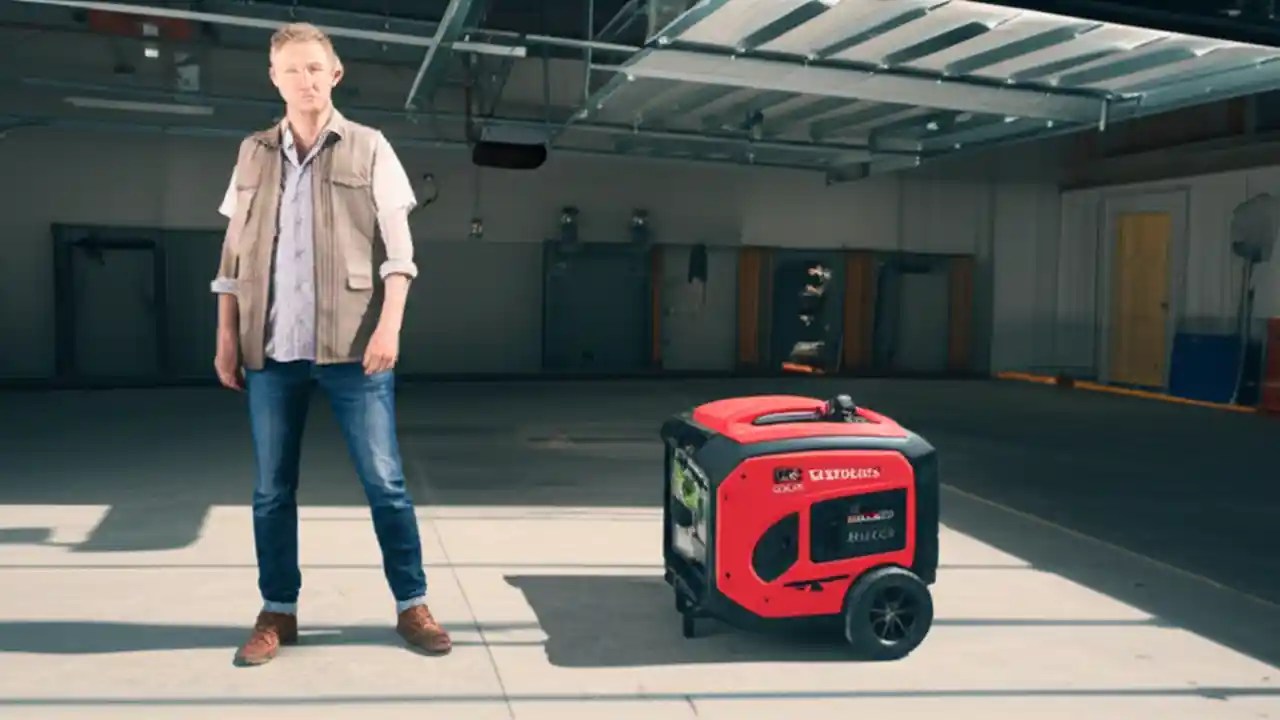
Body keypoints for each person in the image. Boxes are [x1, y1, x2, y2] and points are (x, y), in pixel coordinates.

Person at [209, 21, 451, 666]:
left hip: (354, 351)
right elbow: (232, 257)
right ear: (275, 78)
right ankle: (277, 612)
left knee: (386, 484)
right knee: (270, 491)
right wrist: (226, 337)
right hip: (270, 349)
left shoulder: (369, 147)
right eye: (293, 69)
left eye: (316, 68)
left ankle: (412, 604)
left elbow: (399, 254)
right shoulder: (252, 153)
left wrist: (390, 325)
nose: (306, 79)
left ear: (335, 73)